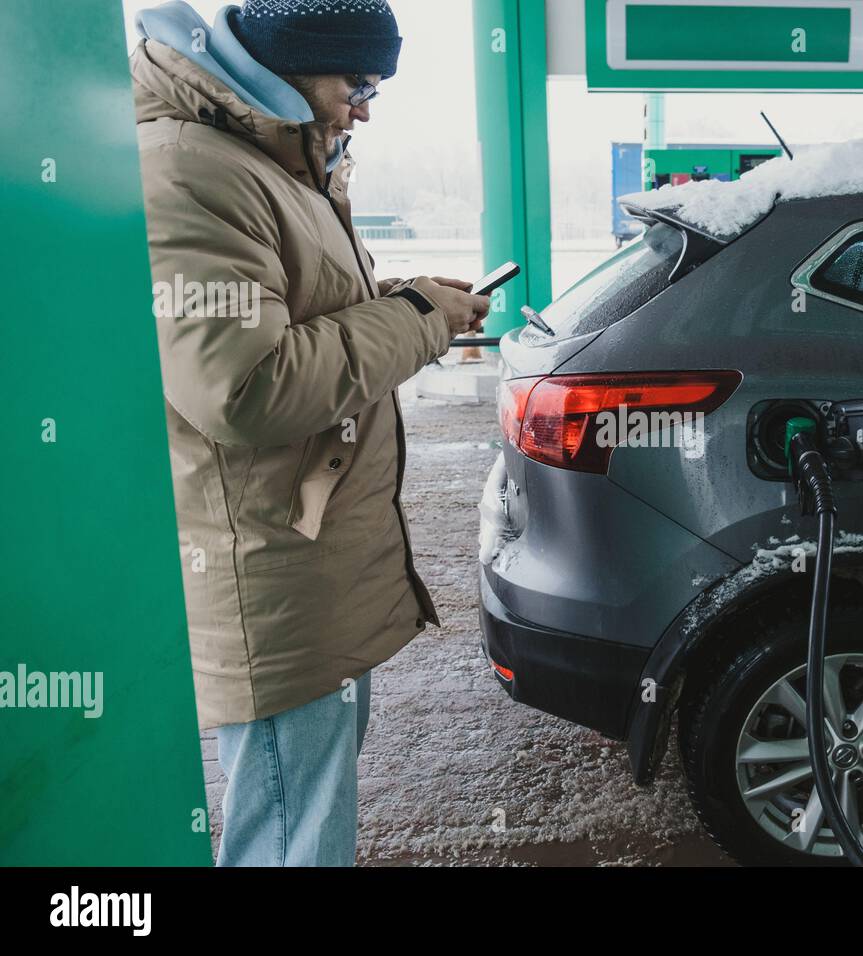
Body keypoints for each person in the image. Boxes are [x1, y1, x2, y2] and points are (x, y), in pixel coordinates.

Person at [130, 0, 490, 866]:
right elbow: (245, 387)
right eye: (356, 83)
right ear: (286, 68)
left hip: (303, 558)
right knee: (293, 830)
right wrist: (413, 320)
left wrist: (410, 300)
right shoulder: (192, 169)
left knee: (301, 810)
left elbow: (299, 314)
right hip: (268, 569)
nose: (366, 107)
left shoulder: (273, 163)